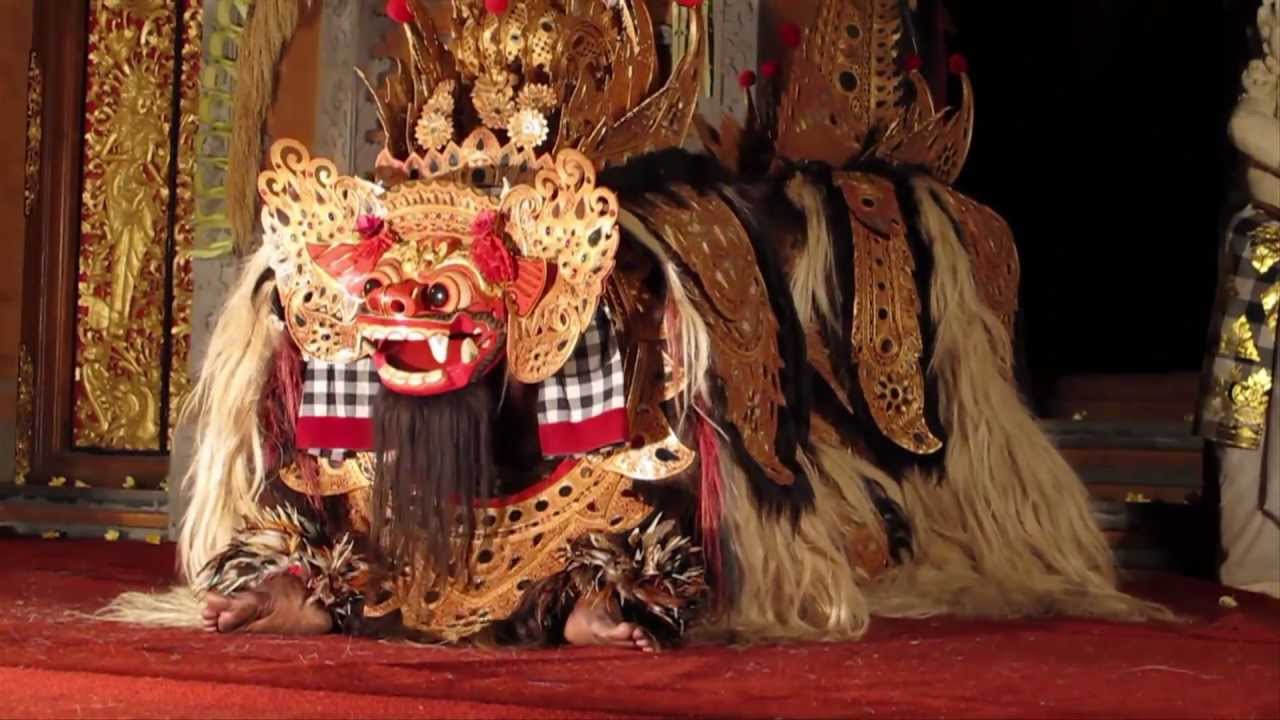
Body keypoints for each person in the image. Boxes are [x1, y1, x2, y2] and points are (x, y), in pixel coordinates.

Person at [108, 0, 1164, 646]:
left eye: (430, 289)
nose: (393, 306)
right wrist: (309, 582)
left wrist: (597, 596)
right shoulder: (330, 318)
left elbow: (671, 517)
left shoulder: (615, 312)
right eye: (388, 286)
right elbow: (311, 498)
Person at [1198, 0, 1280, 599]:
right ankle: (1254, 566)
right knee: (1242, 429)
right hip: (1261, 270)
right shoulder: (1260, 94)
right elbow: (1248, 139)